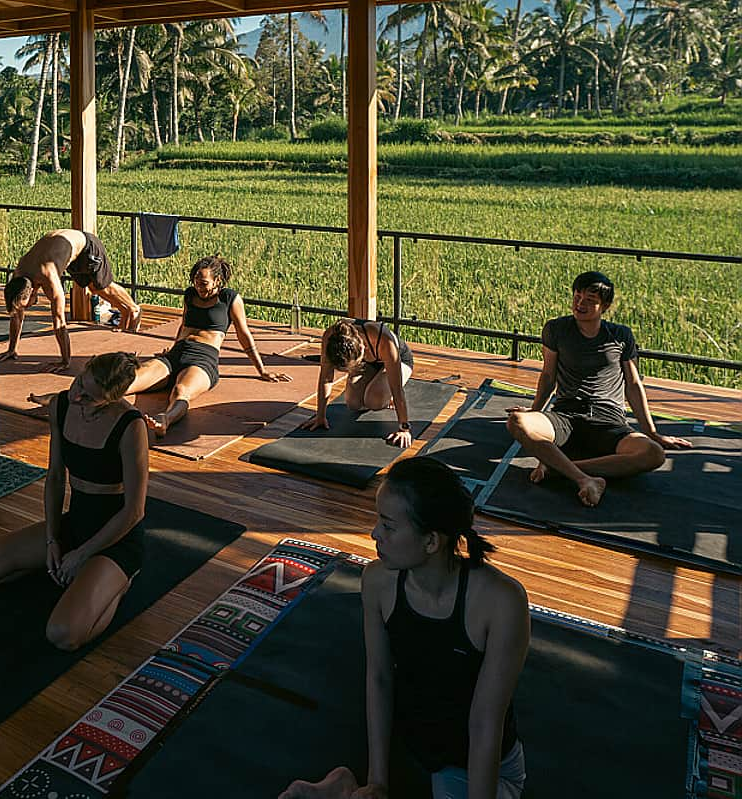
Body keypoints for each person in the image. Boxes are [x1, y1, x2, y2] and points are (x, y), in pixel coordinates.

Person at [280, 456, 529, 799]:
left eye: (388, 525)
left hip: (476, 766)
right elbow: (380, 677)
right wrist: (377, 783)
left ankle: (342, 790)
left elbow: (486, 722)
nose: (373, 533)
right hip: (409, 740)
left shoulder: (501, 602)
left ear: (431, 541)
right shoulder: (378, 581)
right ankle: (349, 786)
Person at [0, 352, 148, 651]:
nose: (76, 397)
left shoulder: (130, 425)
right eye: (78, 384)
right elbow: (54, 477)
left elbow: (134, 511)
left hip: (117, 538)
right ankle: (74, 574)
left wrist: (81, 555)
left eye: (89, 398)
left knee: (63, 635)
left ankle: (119, 584)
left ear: (112, 399)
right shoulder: (61, 405)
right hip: (75, 524)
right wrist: (53, 540)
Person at [505, 271, 690, 508]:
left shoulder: (620, 335)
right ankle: (585, 480)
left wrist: (652, 433)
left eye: (589, 300)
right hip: (565, 415)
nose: (580, 304)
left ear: (605, 306)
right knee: (517, 422)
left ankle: (559, 468)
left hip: (608, 419)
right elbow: (549, 376)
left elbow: (633, 384)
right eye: (577, 296)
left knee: (653, 454)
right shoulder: (556, 329)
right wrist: (534, 410)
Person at [122, 254, 291, 437]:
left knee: (180, 391)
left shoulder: (229, 298)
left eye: (203, 283)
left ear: (217, 280)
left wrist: (262, 370)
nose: (198, 287)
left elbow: (244, 334)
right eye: (196, 281)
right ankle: (95, 400)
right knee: (132, 378)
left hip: (203, 359)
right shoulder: (190, 294)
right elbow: (184, 324)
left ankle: (165, 420)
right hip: (177, 353)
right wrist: (173, 348)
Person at [0, 229, 142, 372]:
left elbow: (59, 322)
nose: (29, 307)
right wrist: (12, 349)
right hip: (68, 252)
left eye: (27, 304)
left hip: (87, 247)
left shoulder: (48, 275)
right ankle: (124, 311)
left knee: (101, 288)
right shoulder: (19, 274)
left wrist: (65, 361)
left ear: (32, 290)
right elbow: (16, 314)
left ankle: (133, 309)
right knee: (92, 288)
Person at [300, 317, 415, 448]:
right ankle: (376, 382)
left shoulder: (384, 340)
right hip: (369, 364)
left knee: (374, 400)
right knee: (353, 403)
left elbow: (397, 389)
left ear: (362, 348)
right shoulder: (331, 337)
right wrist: (320, 416)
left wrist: (404, 428)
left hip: (401, 361)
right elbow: (326, 377)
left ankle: (383, 391)